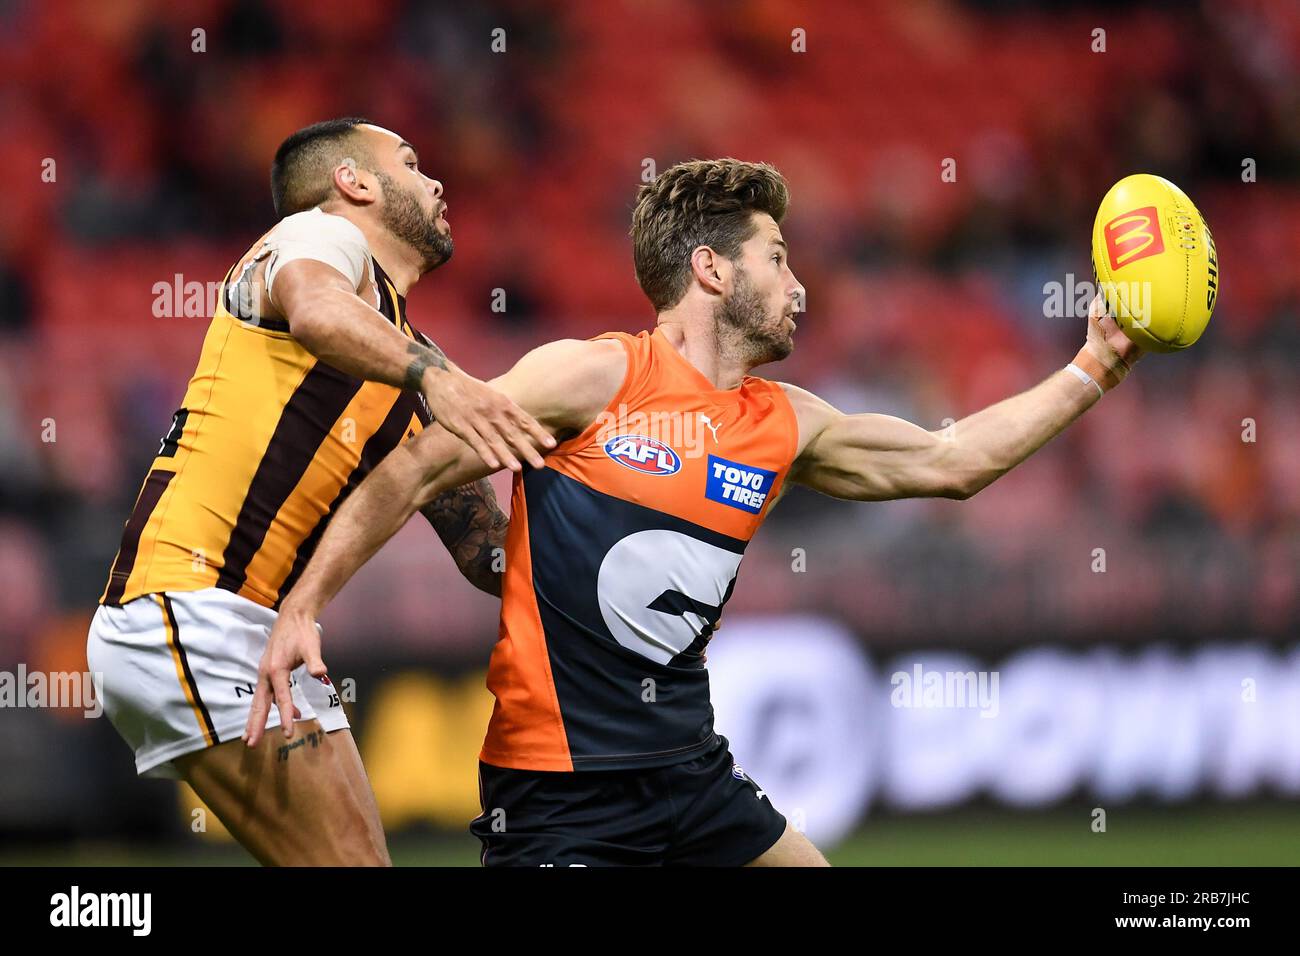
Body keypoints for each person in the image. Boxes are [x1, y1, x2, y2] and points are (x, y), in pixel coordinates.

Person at [246, 158, 1142, 866]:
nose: (799, 284)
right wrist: (304, 606)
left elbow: (953, 462)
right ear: (711, 268)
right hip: (562, 794)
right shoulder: (593, 377)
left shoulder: (785, 422)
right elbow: (412, 470)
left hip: (692, 775)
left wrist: (1093, 368)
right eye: (778, 257)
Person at [87, 118, 552, 866]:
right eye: (409, 161)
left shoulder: (406, 355)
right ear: (354, 183)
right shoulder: (317, 238)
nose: (436, 182)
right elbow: (314, 307)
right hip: (191, 607)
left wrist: (607, 566)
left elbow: (483, 549)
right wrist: (439, 378)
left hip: (256, 634)